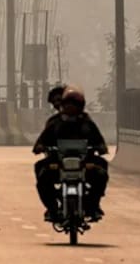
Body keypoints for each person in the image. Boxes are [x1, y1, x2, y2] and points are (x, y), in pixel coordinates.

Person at [32, 87, 109, 221]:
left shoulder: (87, 123)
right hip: (58, 162)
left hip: (85, 162)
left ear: (81, 106)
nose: (70, 107)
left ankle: (93, 205)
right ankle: (52, 208)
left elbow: (99, 140)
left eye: (74, 104)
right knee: (41, 172)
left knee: (102, 170)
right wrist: (40, 147)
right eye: (67, 104)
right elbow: (42, 141)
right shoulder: (54, 122)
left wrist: (101, 147)